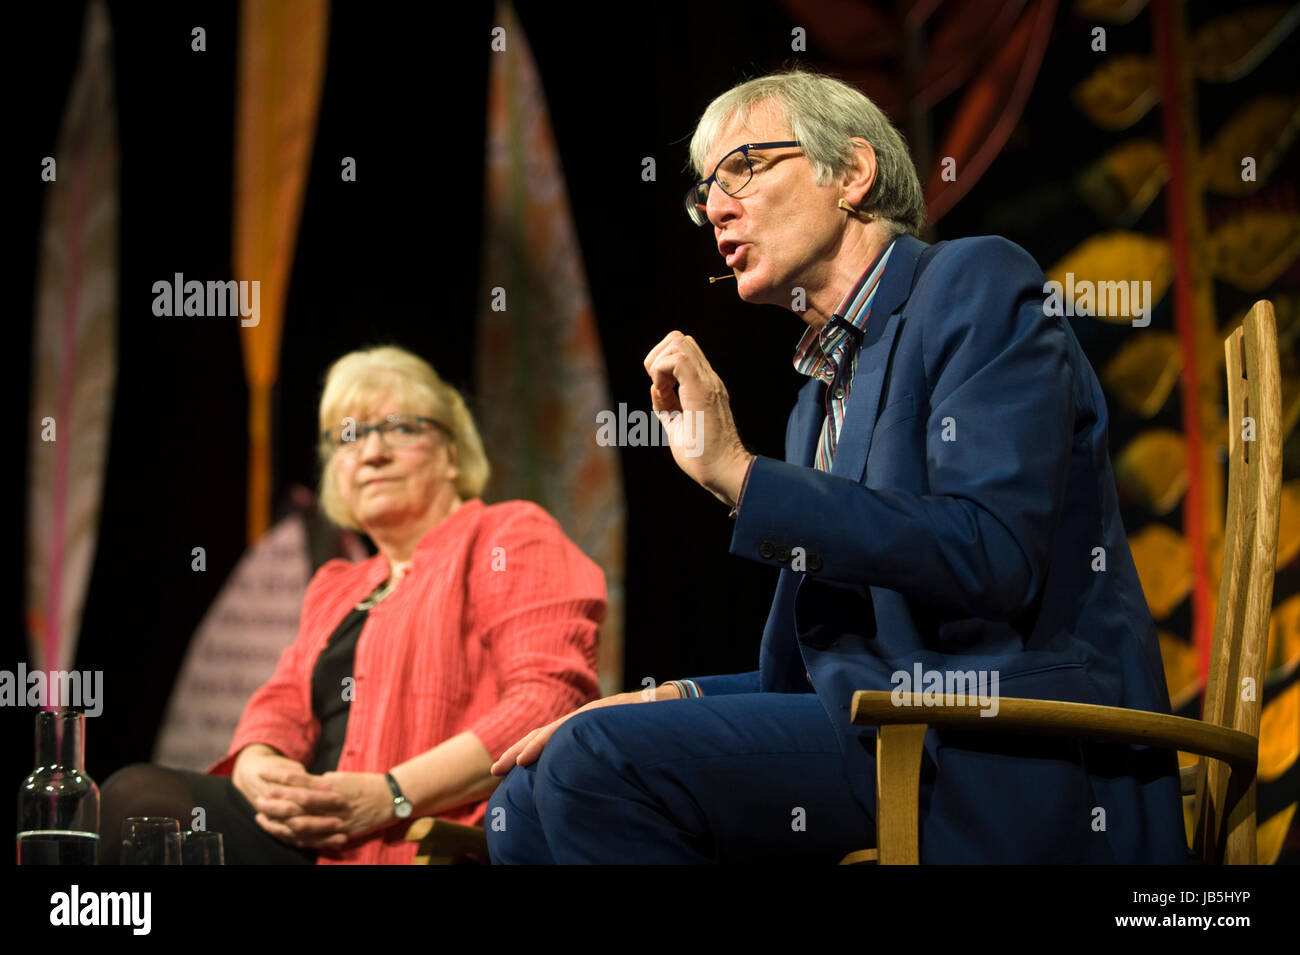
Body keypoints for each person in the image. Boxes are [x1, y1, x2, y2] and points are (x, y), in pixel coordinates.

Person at [485, 70, 1189, 864]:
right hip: (885, 735)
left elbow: (993, 551)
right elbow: (814, 673)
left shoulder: (975, 282)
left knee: (595, 764)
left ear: (852, 172)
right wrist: (667, 696)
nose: (715, 208)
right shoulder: (814, 404)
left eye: (742, 168)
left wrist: (741, 476)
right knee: (523, 802)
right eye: (704, 193)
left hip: (1008, 746)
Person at [100, 346, 606, 864]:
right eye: (349, 436)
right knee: (140, 802)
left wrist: (390, 794)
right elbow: (282, 705)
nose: (371, 452)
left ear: (452, 454)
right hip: (310, 832)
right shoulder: (337, 585)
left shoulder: (508, 535)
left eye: (400, 428)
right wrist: (257, 764)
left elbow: (547, 702)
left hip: (416, 835)